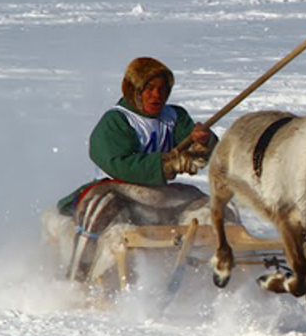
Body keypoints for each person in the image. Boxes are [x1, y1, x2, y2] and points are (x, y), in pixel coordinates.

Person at [57, 56, 216, 216]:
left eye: (163, 89)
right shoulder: (117, 120)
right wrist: (165, 165)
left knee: (208, 208)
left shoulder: (175, 116)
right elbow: (117, 164)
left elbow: (198, 151)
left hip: (160, 192)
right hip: (116, 188)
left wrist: (203, 142)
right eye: (150, 88)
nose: (157, 94)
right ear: (134, 90)